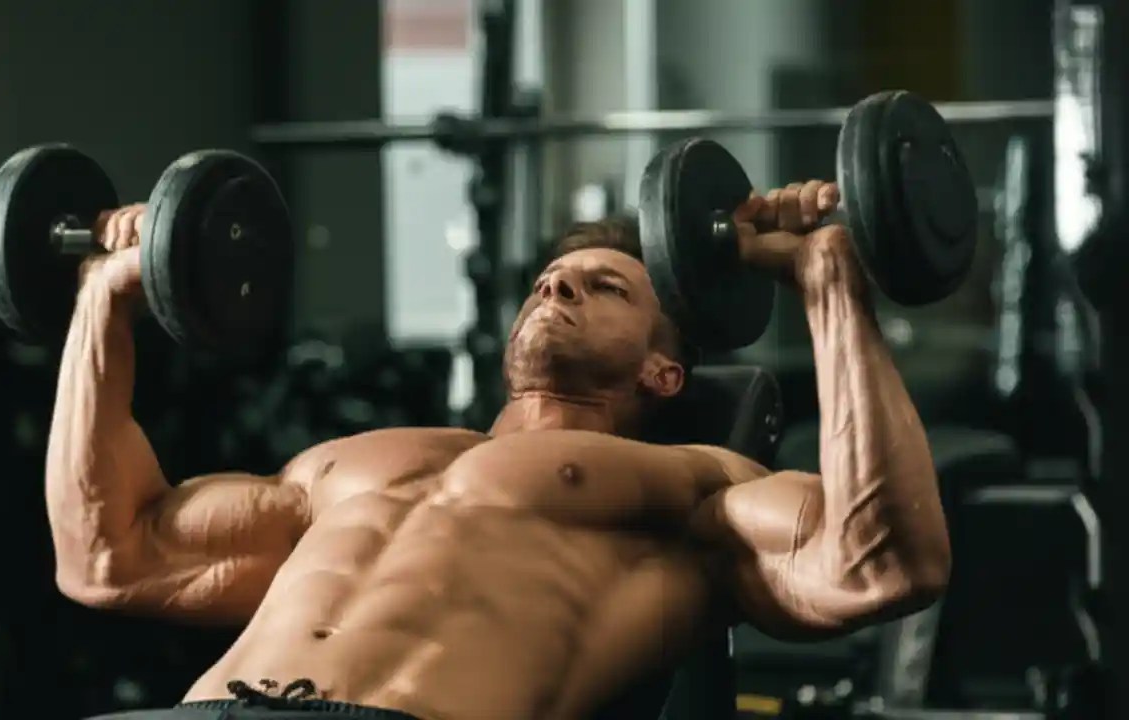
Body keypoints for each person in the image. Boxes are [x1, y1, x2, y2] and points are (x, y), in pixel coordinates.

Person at [48, 180, 951, 720]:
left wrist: (827, 278)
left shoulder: (690, 486)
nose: (558, 283)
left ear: (664, 372)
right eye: (552, 279)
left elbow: (880, 562)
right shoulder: (351, 463)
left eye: (605, 289)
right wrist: (106, 296)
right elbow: (108, 551)